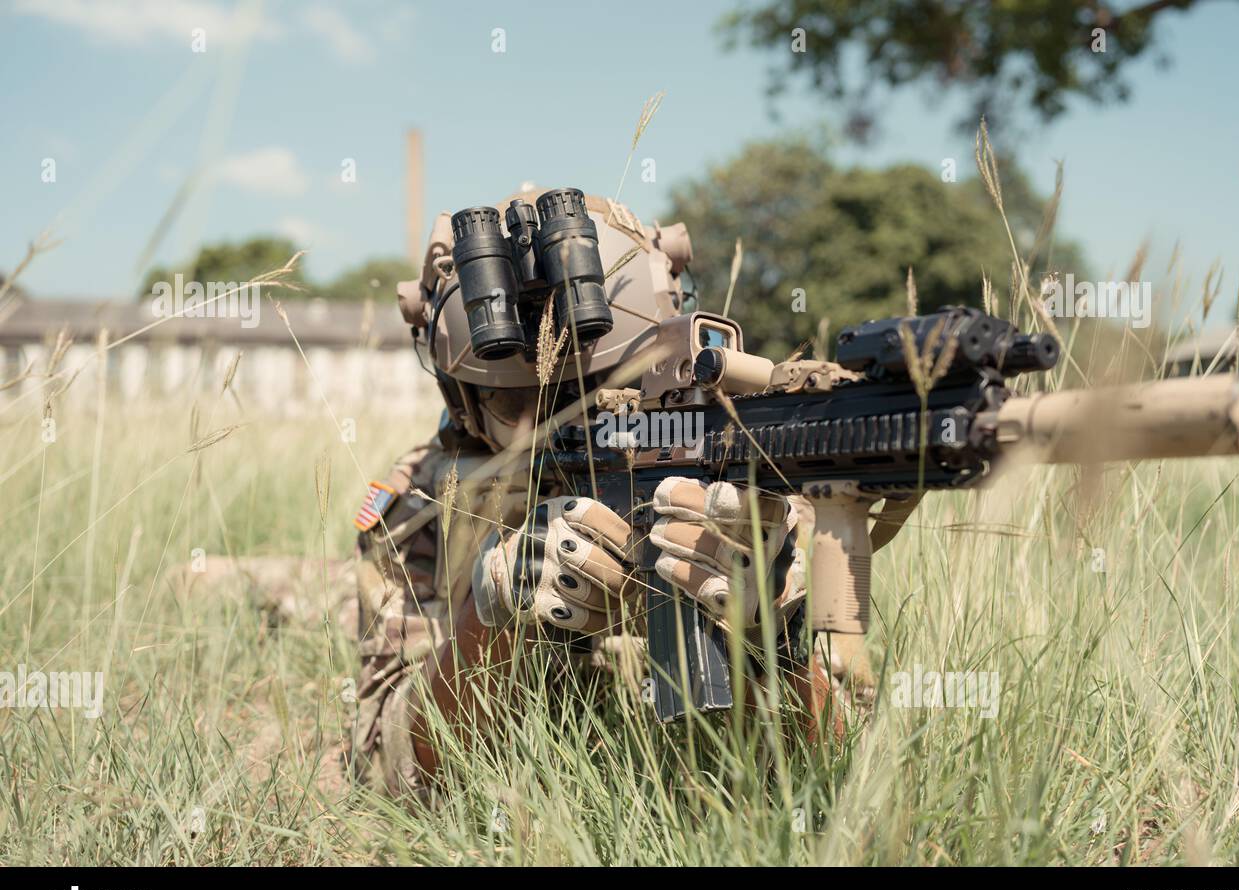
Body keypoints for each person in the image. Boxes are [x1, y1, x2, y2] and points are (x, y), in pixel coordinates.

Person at [348, 188, 883, 798]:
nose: (561, 426)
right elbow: (385, 763)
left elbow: (844, 758)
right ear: (460, 397)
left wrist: (771, 640)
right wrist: (493, 616)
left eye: (600, 392)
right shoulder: (424, 500)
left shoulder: (741, 477)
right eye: (514, 402)